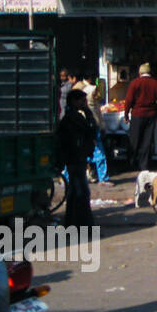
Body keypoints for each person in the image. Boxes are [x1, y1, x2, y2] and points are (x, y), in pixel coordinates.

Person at [56, 89, 97, 228]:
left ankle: (73, 224)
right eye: (82, 101)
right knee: (81, 193)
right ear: (74, 101)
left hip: (76, 158)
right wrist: (88, 112)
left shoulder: (72, 118)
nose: (84, 104)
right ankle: (81, 225)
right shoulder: (72, 119)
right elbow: (91, 130)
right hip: (75, 159)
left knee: (75, 192)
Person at [123, 62, 157, 173]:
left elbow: (129, 100)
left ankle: (131, 163)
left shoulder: (135, 83)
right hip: (151, 115)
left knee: (134, 139)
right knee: (147, 140)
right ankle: (144, 165)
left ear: (140, 72)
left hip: (137, 114)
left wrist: (126, 114)